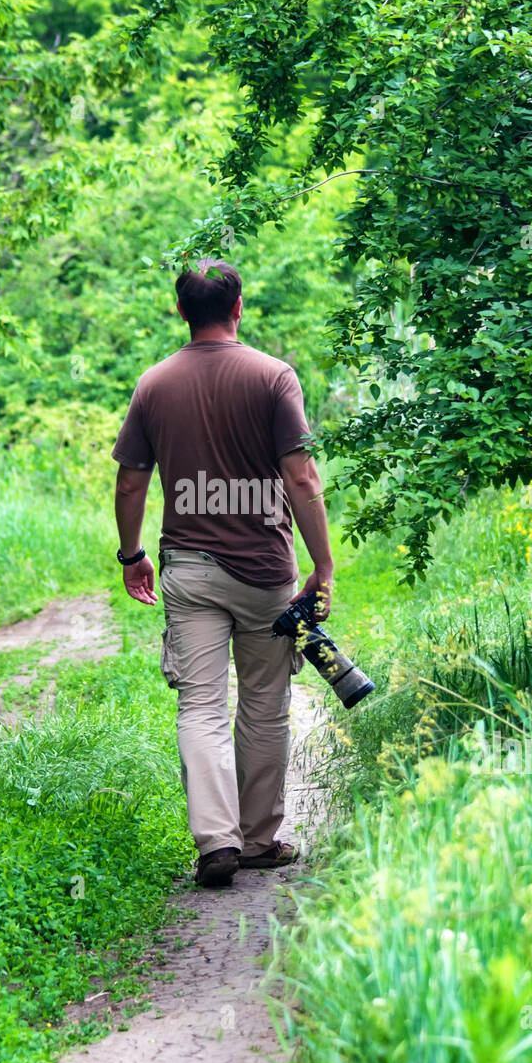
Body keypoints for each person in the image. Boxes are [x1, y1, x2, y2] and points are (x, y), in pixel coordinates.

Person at [111, 258, 334, 888]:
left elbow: (132, 481)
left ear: (181, 310)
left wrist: (132, 556)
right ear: (239, 308)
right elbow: (300, 477)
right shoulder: (274, 377)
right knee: (264, 708)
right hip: (265, 571)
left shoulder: (153, 384)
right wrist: (322, 564)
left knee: (200, 706)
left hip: (190, 571)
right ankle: (259, 839)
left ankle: (216, 842)